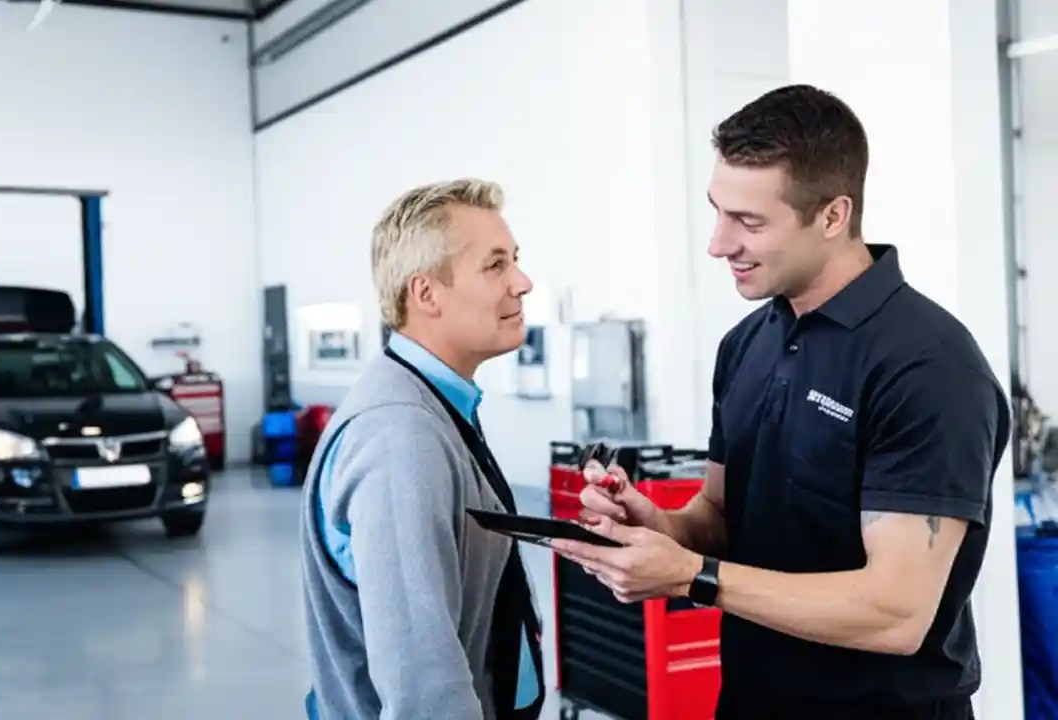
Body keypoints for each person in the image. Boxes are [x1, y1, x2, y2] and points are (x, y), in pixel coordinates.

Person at [552, 84, 1010, 719]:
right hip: (750, 700)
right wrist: (657, 526)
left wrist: (692, 575)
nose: (718, 244)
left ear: (832, 215)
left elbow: (897, 612)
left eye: (749, 222)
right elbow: (719, 513)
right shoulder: (746, 345)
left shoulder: (928, 366)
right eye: (717, 211)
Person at [299, 179, 545, 720]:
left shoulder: (433, 404)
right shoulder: (399, 437)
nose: (522, 282)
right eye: (495, 265)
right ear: (426, 293)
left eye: (516, 261)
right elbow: (423, 685)